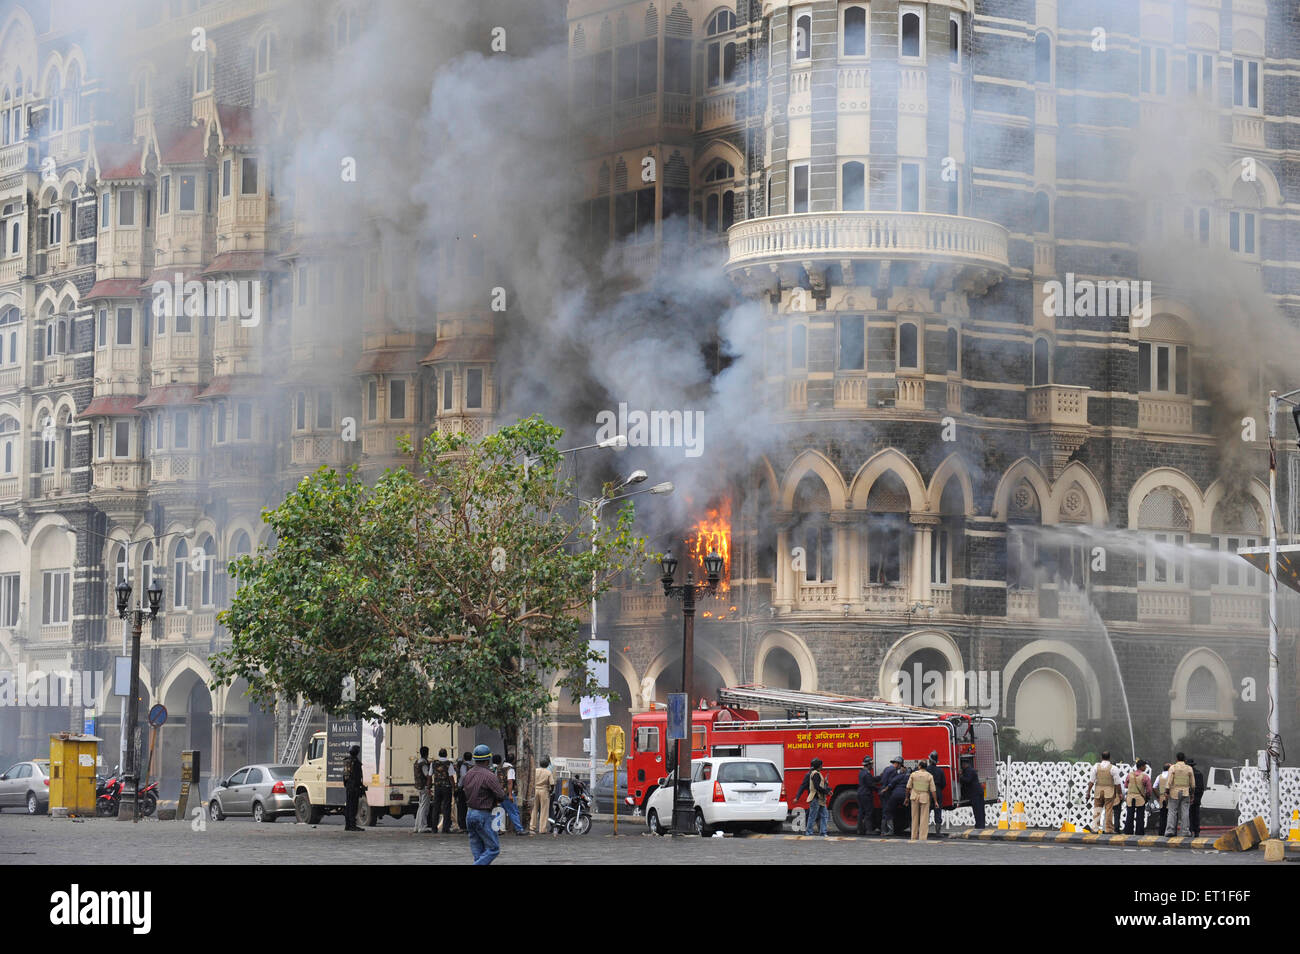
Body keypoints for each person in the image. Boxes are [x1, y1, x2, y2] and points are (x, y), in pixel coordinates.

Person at [462, 744, 505, 864]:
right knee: (493, 849)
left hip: (469, 813)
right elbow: (501, 796)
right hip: (483, 815)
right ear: (488, 759)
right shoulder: (490, 776)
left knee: (478, 851)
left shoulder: (468, 774)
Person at [1088, 750, 1122, 833]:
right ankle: (1109, 829)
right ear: (1109, 758)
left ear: (1101, 757)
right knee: (1109, 810)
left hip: (1098, 791)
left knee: (1097, 809)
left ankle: (1095, 828)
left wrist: (1088, 792)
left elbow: (1091, 781)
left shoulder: (1096, 767)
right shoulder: (1113, 768)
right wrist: (1120, 793)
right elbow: (1117, 783)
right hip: (1109, 791)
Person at [493, 753, 526, 835]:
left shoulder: (499, 768)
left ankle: (498, 829)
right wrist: (510, 794)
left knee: (500, 811)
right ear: (513, 760)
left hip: (499, 793)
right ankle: (519, 829)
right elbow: (510, 782)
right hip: (507, 794)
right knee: (513, 811)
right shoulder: (510, 769)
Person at [1164, 752, 1195, 837]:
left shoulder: (1172, 767)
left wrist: (1166, 791)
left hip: (1174, 792)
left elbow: (1169, 781)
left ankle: (1170, 830)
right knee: (1185, 812)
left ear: (1176, 759)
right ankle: (1185, 831)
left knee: (1172, 811)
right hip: (1185, 792)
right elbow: (1192, 784)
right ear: (1185, 759)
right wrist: (1192, 794)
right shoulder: (1189, 768)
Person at [907, 759, 934, 842]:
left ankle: (913, 836)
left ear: (919, 766)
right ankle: (922, 837)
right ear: (926, 767)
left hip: (914, 796)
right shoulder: (929, 776)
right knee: (924, 818)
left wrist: (906, 798)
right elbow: (933, 790)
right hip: (924, 796)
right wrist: (935, 801)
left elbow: (908, 787)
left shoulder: (913, 774)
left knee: (914, 817)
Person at [1122, 759, 1152, 835]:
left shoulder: (1129, 775)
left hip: (1130, 798)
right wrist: (1147, 797)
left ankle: (1128, 832)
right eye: (1144, 766)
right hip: (1140, 799)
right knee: (1140, 817)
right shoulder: (1145, 777)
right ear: (1141, 767)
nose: (1145, 767)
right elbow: (1149, 790)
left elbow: (1126, 785)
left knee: (1129, 816)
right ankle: (1139, 832)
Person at [430, 748, 455, 833]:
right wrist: (454, 787)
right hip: (446, 787)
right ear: (446, 754)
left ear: (439, 754)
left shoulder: (433, 764)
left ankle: (434, 828)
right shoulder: (449, 764)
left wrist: (429, 787)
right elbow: (451, 776)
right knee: (446, 808)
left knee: (436, 807)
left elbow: (430, 775)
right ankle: (445, 828)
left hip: (437, 787)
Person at [883, 757, 910, 836]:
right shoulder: (911, 777)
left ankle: (890, 831)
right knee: (910, 813)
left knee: (888, 811)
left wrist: (885, 789)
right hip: (905, 796)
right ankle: (914, 830)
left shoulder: (899, 776)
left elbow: (891, 784)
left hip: (895, 795)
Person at [342, 744, 366, 832]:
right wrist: (360, 786)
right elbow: (357, 776)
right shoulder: (355, 762)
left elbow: (344, 775)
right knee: (353, 806)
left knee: (348, 806)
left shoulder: (347, 761)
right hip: (354, 787)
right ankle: (352, 825)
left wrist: (347, 785)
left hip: (348, 786)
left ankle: (347, 825)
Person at [804, 758, 830, 836]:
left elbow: (819, 786)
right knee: (814, 816)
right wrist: (826, 791)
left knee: (823, 815)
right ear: (819, 766)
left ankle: (822, 832)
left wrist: (826, 786)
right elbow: (817, 787)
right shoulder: (816, 774)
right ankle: (810, 832)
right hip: (816, 798)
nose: (822, 766)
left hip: (819, 798)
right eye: (821, 765)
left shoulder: (816, 773)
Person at [958, 755, 985, 829]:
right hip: (977, 793)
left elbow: (968, 780)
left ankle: (979, 826)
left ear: (965, 764)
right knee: (980, 810)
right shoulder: (970, 770)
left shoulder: (969, 771)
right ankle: (980, 825)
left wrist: (960, 777)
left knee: (977, 810)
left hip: (975, 793)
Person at [856, 756, 879, 836]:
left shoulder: (862, 772)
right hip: (866, 794)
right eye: (871, 764)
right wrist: (879, 790)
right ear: (868, 764)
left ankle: (860, 830)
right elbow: (871, 784)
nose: (872, 766)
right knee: (868, 812)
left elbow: (871, 779)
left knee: (861, 812)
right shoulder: (867, 774)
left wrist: (880, 777)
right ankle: (869, 830)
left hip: (860, 793)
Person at [413, 746, 432, 834]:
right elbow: (427, 774)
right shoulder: (423, 763)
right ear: (427, 753)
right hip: (424, 787)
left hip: (419, 786)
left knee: (420, 806)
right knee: (424, 807)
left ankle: (417, 826)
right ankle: (422, 827)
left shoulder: (417, 762)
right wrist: (429, 786)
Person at [927, 750, 947, 837]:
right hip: (937, 791)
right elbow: (944, 783)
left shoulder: (926, 770)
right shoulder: (940, 771)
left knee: (925, 812)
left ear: (930, 760)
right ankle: (938, 832)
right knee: (938, 811)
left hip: (928, 792)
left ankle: (924, 831)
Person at [533, 757, 555, 834]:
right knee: (544, 810)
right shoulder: (548, 772)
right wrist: (551, 791)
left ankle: (532, 827)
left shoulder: (535, 770)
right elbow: (552, 784)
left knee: (534, 809)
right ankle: (542, 829)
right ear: (547, 764)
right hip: (544, 791)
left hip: (535, 790)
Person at [454, 751, 472, 833]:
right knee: (471, 808)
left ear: (464, 758)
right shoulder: (474, 766)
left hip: (463, 789)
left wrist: (459, 786)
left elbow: (463, 777)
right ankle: (470, 825)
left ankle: (463, 826)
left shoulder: (464, 766)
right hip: (472, 789)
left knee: (461, 808)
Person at [1189, 759, 1205, 837]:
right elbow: (1202, 787)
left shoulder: (1188, 774)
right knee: (1196, 814)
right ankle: (1196, 831)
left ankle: (1190, 830)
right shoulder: (1199, 773)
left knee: (1189, 814)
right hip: (1197, 797)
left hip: (1189, 796)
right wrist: (1199, 797)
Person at [1154, 762, 1171, 836]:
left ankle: (1161, 832)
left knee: (1162, 815)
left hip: (1161, 798)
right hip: (1170, 798)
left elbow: (1154, 787)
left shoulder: (1159, 776)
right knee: (1171, 815)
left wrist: (1158, 796)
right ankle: (1169, 831)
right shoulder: (1171, 776)